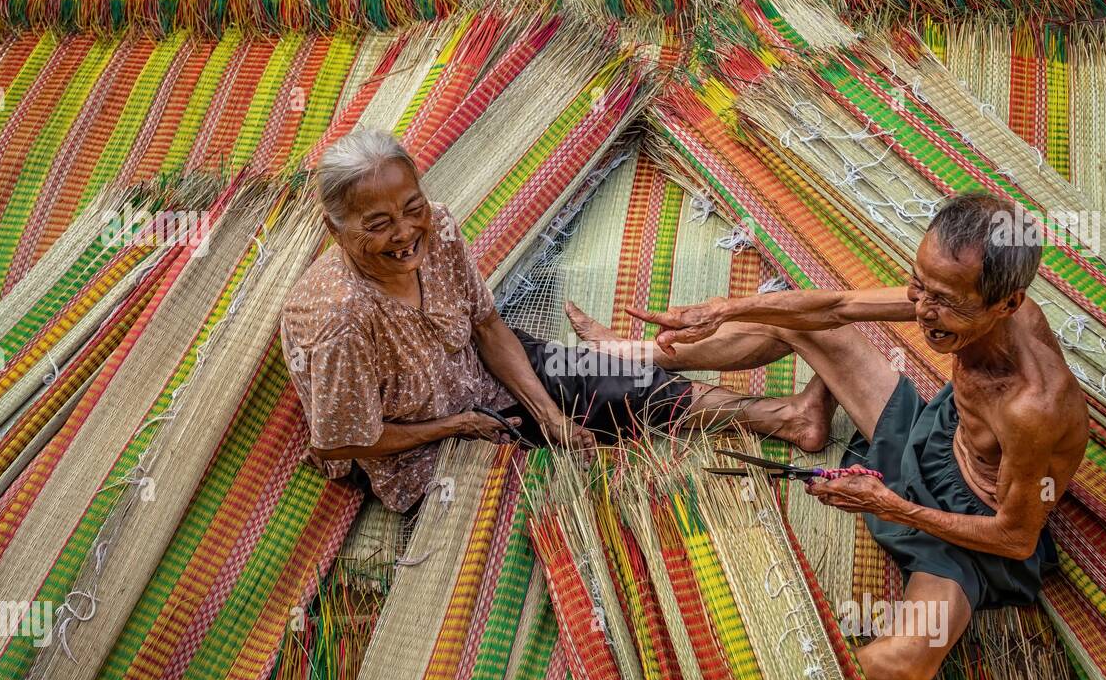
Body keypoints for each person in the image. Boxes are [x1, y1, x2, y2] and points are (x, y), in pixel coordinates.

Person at [566, 191, 1089, 680]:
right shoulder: (952, 297)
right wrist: (725, 309)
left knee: (902, 665)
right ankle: (638, 357)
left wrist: (892, 506)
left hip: (970, 534)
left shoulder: (1032, 407)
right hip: (934, 441)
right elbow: (838, 307)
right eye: (918, 285)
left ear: (1009, 304)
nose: (923, 311)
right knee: (796, 318)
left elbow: (1015, 538)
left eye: (946, 303)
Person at [279, 128, 831, 515]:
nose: (405, 233)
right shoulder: (337, 319)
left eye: (412, 207)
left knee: (612, 381)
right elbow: (341, 441)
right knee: (572, 485)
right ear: (336, 231)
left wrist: (547, 413)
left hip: (484, 373)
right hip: (425, 444)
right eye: (378, 224)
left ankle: (783, 416)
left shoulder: (438, 229)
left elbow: (489, 327)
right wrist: (459, 425)